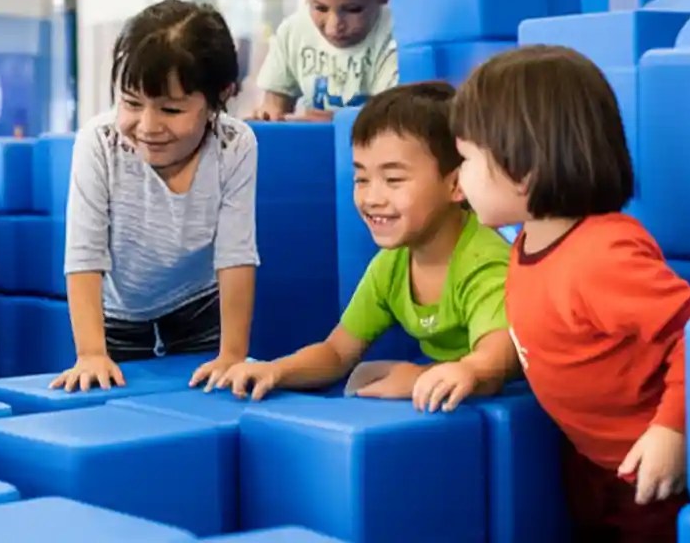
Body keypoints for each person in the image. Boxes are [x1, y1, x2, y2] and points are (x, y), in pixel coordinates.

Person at [450, 45, 690, 542]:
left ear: (524, 167)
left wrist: (672, 431)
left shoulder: (601, 257)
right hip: (591, 462)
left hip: (651, 473)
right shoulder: (525, 240)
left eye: (466, 159)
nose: (458, 180)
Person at [218, 82, 515, 410]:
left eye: (393, 180)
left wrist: (421, 377)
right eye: (361, 179)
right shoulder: (392, 264)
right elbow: (337, 351)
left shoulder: (484, 261)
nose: (372, 198)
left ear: (456, 183)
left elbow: (493, 362)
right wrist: (276, 369)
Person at [50, 0, 259, 392]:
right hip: (119, 319)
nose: (147, 126)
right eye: (131, 103)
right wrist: (91, 353)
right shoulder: (100, 143)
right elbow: (84, 255)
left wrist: (233, 355)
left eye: (171, 109)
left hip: (200, 310)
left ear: (219, 97)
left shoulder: (235, 144)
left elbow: (236, 254)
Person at [252, 0, 397, 121]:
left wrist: (337, 123)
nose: (334, 26)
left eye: (353, 10)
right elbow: (274, 102)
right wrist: (269, 113)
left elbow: (394, 117)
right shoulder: (293, 32)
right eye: (320, 8)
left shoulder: (395, 36)